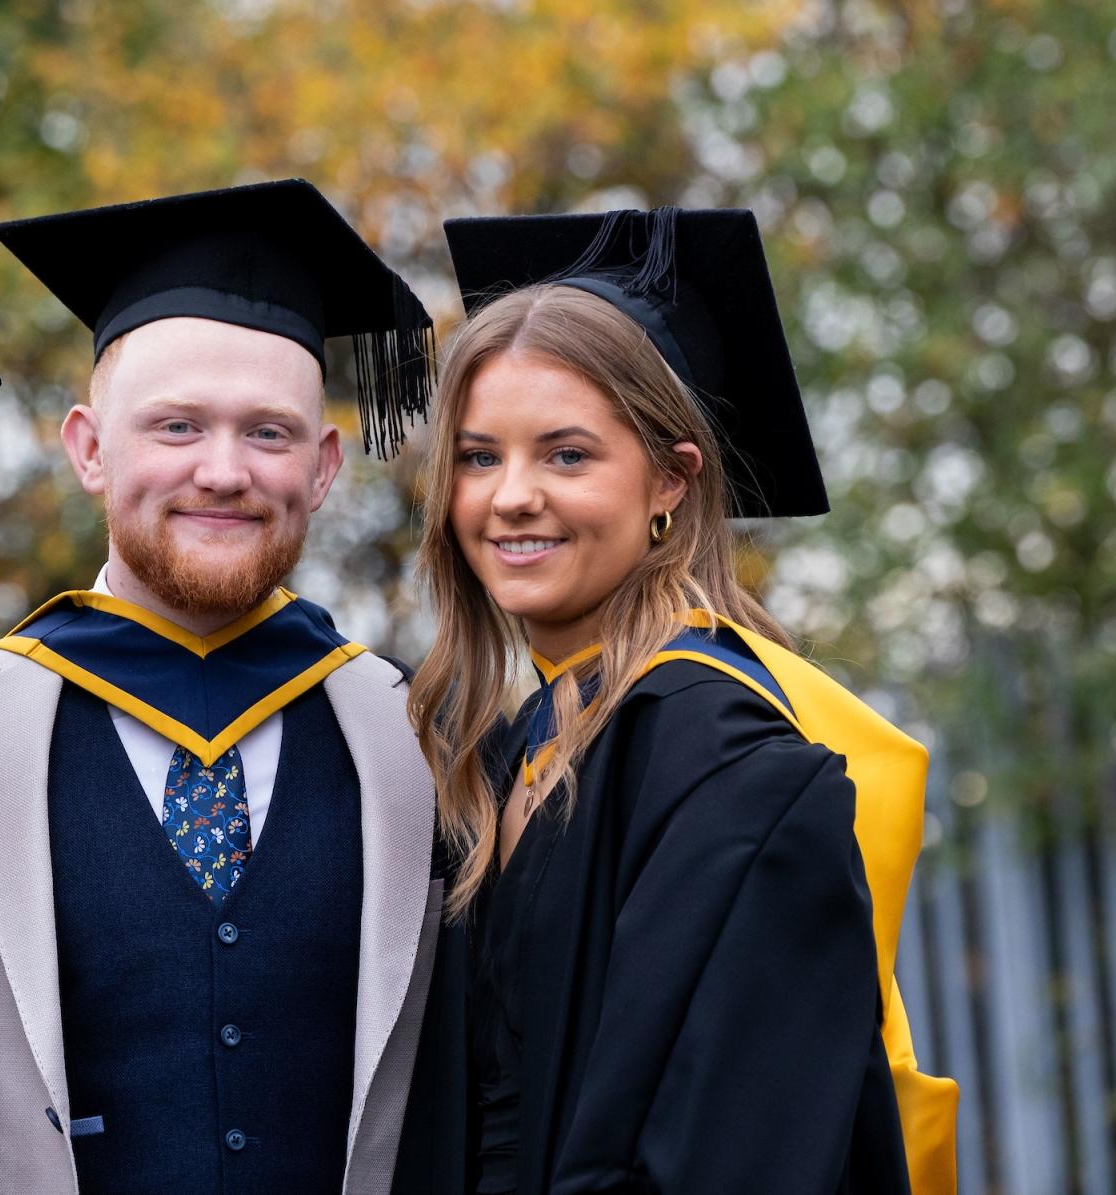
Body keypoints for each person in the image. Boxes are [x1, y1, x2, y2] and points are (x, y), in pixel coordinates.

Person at [0, 178, 444, 1193]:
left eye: (269, 433)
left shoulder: (413, 730)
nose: (225, 471)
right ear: (90, 450)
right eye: (177, 427)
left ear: (323, 468)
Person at [410, 206, 958, 1194]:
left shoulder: (730, 761)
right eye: (479, 455)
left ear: (670, 479)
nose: (511, 495)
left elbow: (735, 1150)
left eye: (567, 455)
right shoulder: (504, 753)